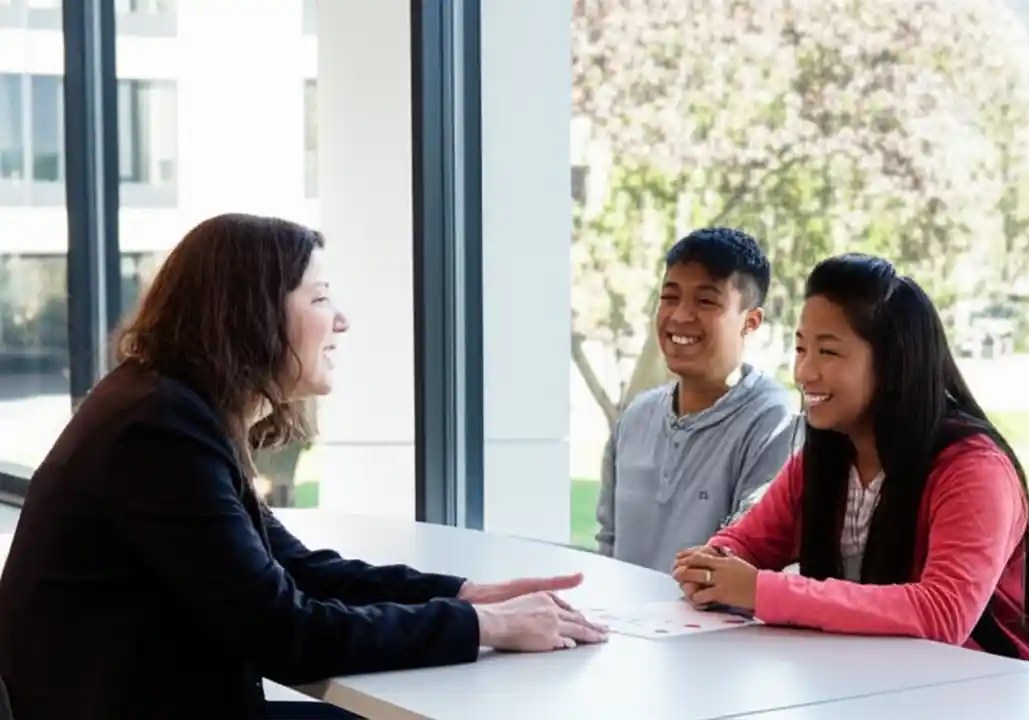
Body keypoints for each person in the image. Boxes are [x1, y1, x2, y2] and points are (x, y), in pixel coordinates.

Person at [0, 214, 606, 720]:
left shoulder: (168, 406)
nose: (341, 320)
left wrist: (463, 593)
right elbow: (285, 633)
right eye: (319, 298)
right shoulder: (157, 429)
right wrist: (483, 625)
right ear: (250, 315)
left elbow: (290, 566)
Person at [671, 253, 1029, 665]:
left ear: (893, 363)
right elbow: (746, 544)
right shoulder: (826, 455)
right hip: (871, 686)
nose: (804, 372)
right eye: (801, 348)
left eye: (827, 352)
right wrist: (713, 565)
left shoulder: (974, 469)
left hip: (987, 693)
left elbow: (943, 614)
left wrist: (760, 590)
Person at [596, 227, 795, 572]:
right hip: (619, 622)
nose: (680, 316)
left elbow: (745, 559)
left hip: (711, 626)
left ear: (751, 321)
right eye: (670, 297)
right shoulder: (636, 417)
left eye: (706, 301)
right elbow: (608, 544)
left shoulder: (774, 420)